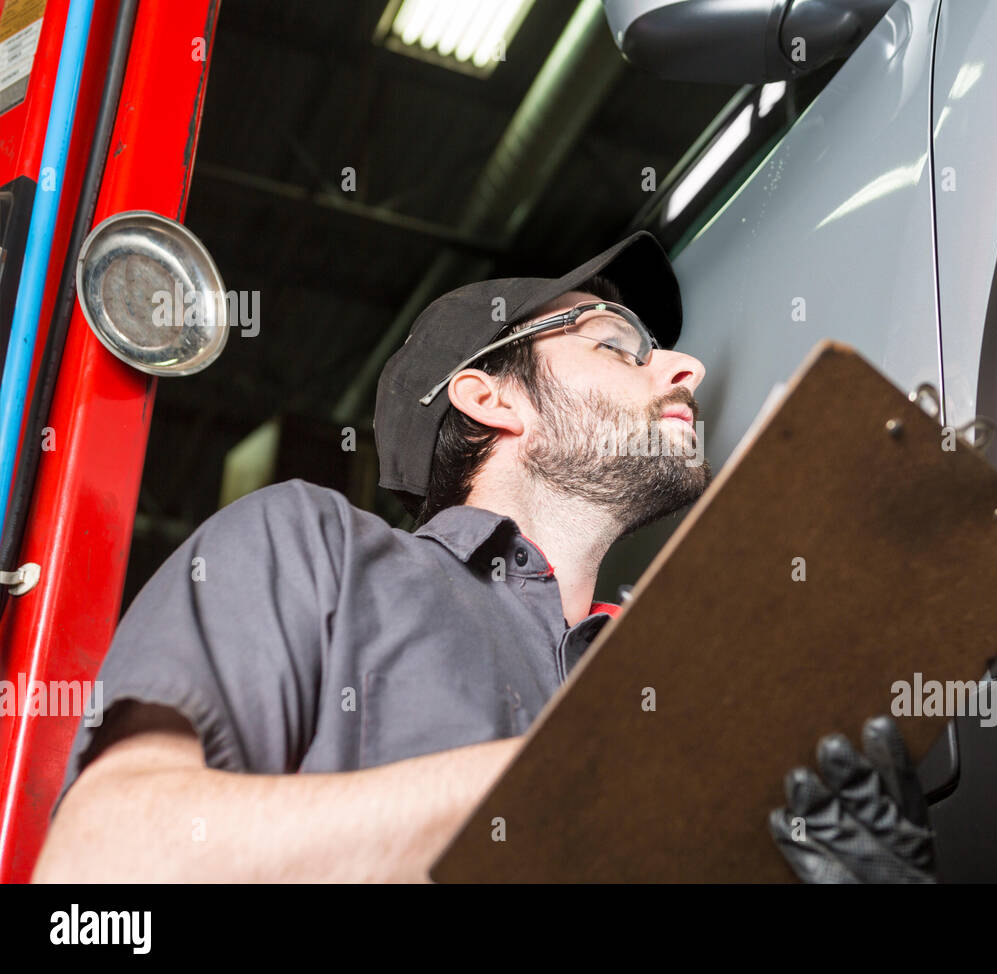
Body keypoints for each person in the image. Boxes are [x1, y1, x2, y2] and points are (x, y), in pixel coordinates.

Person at [34, 230, 935, 883]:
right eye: (619, 347)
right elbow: (104, 869)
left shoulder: (684, 665)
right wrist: (603, 767)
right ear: (490, 396)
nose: (685, 369)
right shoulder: (311, 548)